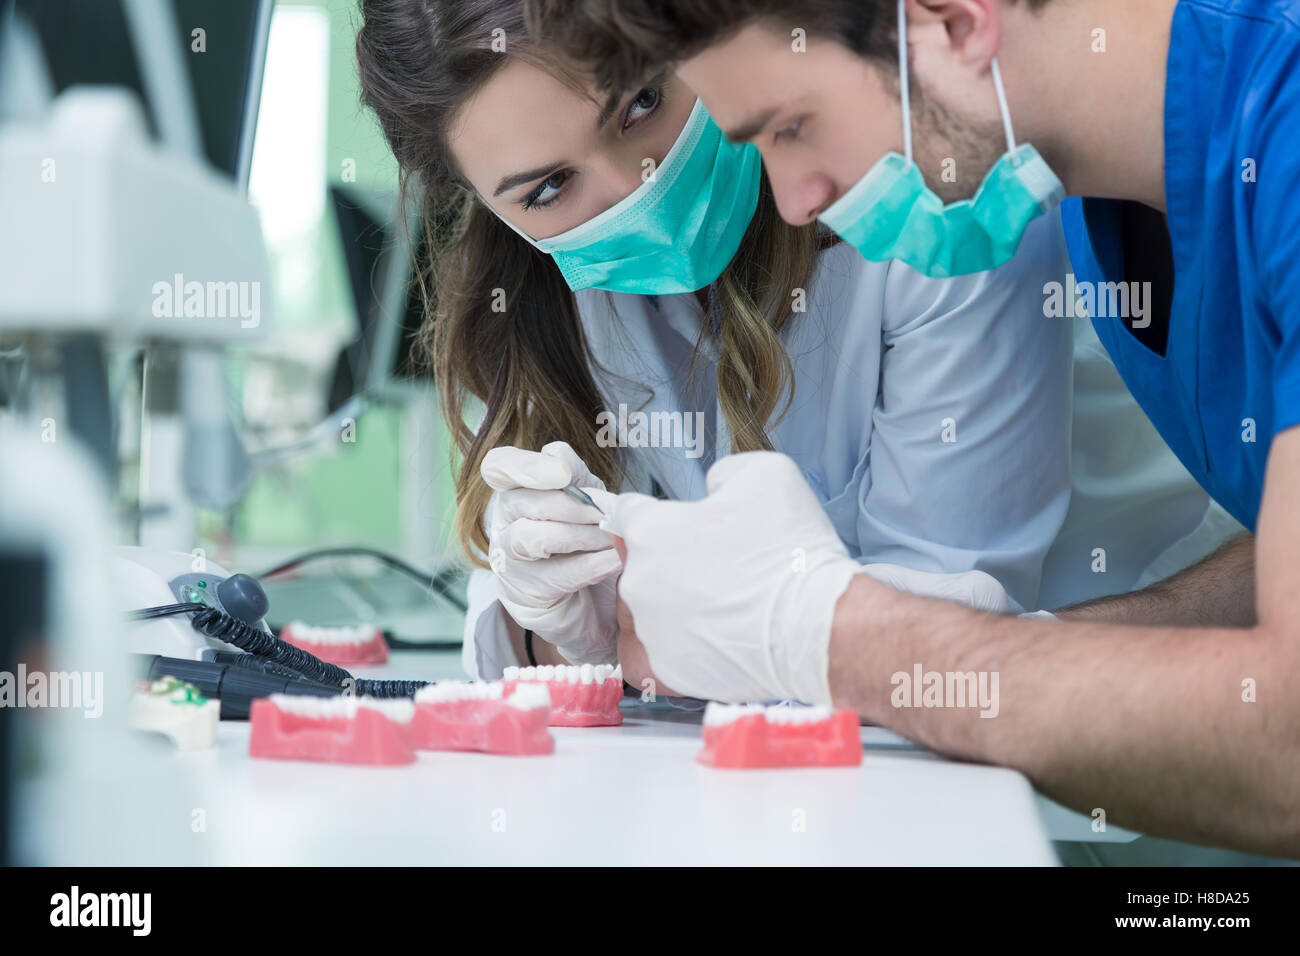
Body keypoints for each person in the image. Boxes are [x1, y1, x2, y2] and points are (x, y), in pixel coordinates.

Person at [537, 0, 1300, 854]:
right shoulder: (1097, 197)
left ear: (956, 21)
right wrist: (995, 655)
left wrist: (829, 632)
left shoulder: (1282, 125)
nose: (795, 205)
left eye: (791, 127)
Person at [354, 0, 1225, 697]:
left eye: (643, 103)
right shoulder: (563, 288)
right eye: (548, 188)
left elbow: (931, 639)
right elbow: (560, 652)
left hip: (1122, 738)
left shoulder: (919, 198)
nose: (637, 190)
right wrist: (551, 621)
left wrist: (690, 628)